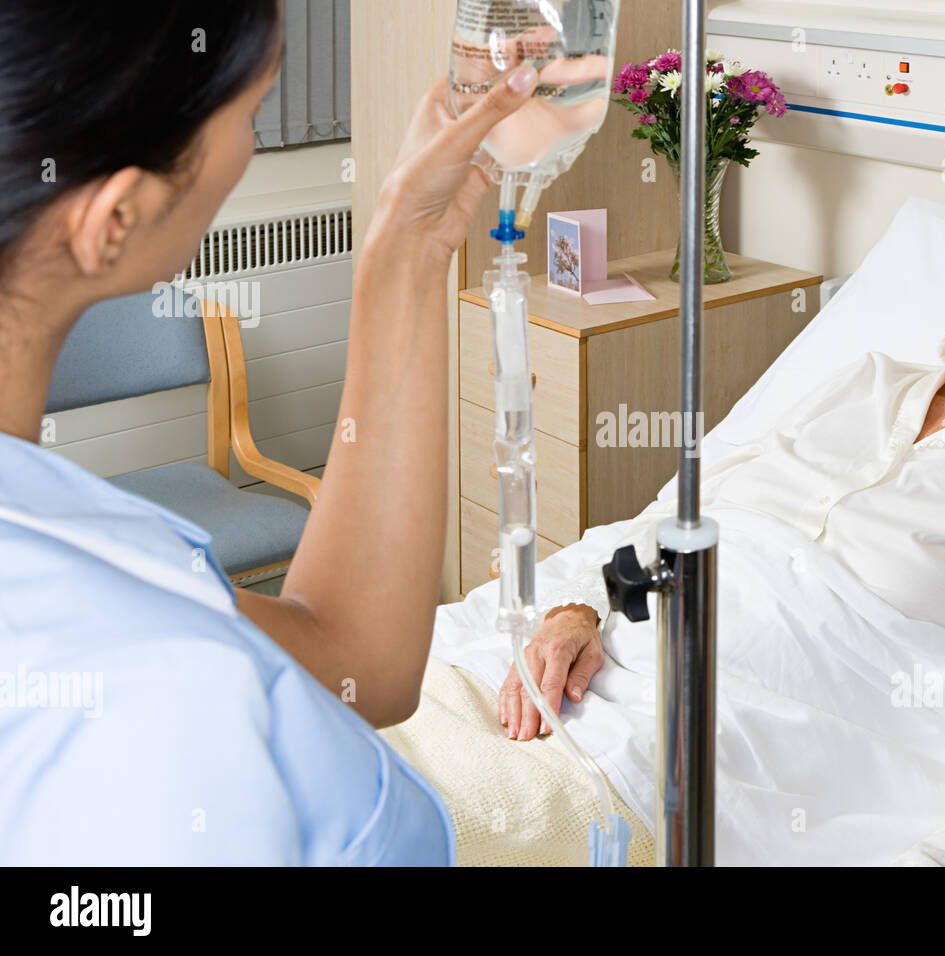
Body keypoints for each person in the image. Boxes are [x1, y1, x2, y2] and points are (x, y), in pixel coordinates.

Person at [452, 203, 945, 865]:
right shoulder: (870, 382)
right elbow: (689, 508)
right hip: (617, 644)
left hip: (737, 719)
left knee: (453, 828)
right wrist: (578, 607)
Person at [0, 0, 540, 864]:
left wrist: (407, 246)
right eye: (249, 116)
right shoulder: (145, 676)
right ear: (116, 220)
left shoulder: (61, 543)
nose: (253, 146)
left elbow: (352, 656)